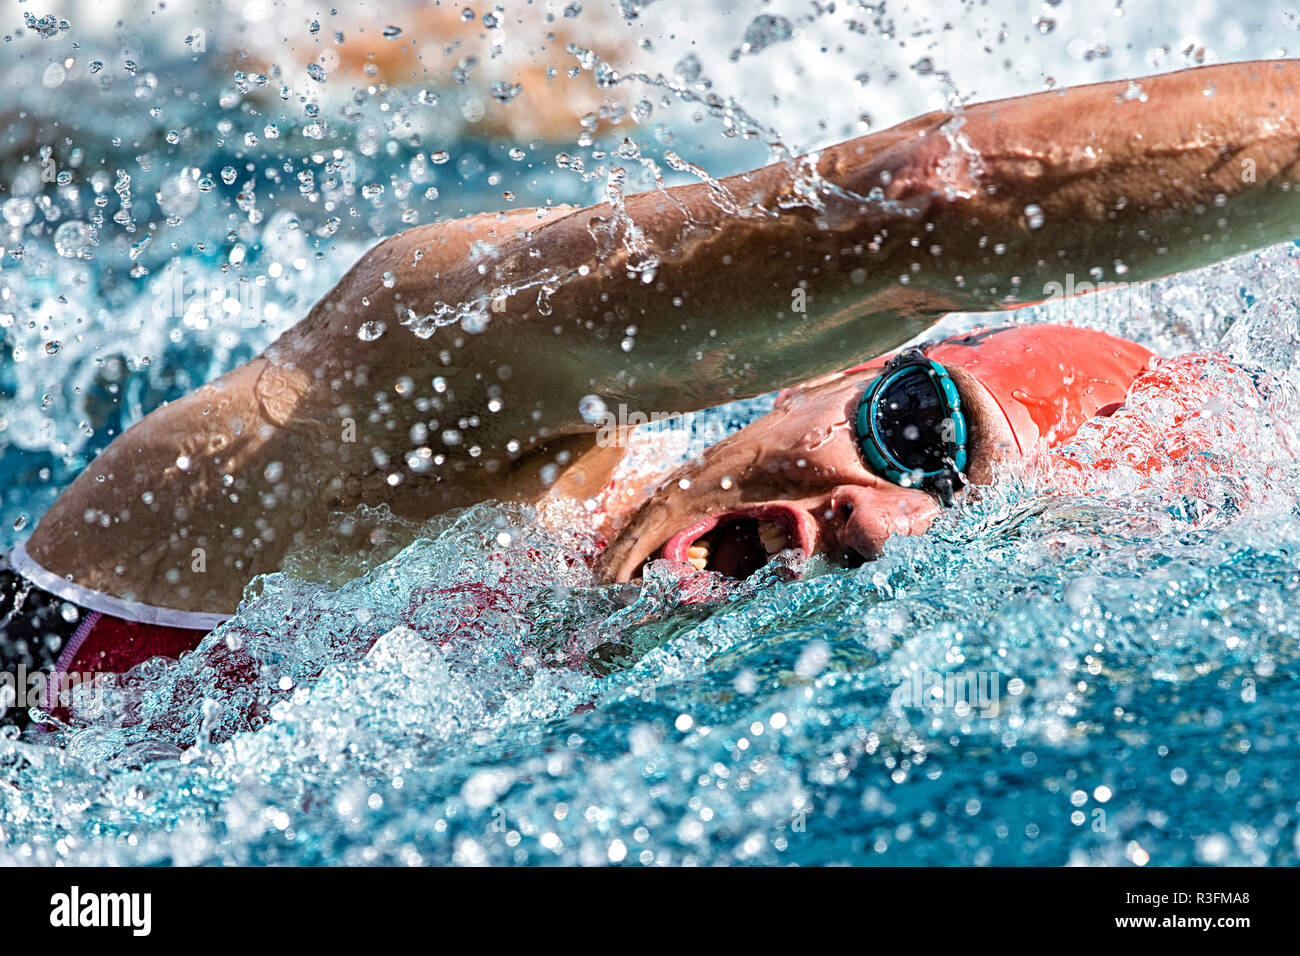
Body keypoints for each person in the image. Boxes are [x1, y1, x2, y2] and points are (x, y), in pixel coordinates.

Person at [4, 58, 1300, 719]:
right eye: (916, 434)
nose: (880, 526)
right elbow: (930, 202)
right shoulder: (436, 406)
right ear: (843, 360)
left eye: (970, 526)